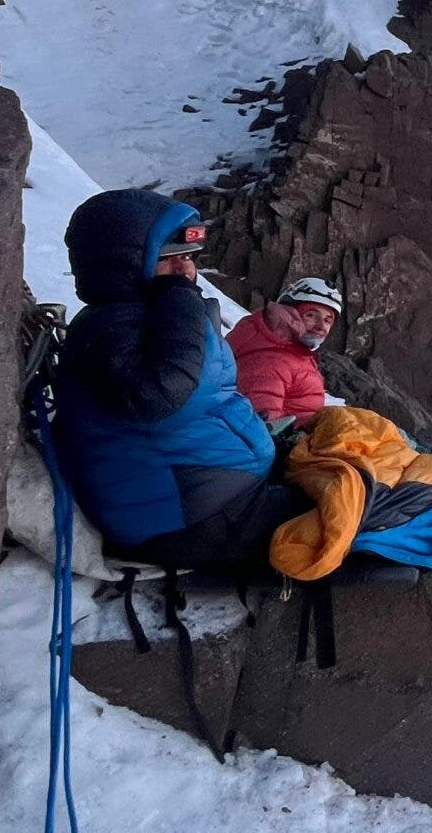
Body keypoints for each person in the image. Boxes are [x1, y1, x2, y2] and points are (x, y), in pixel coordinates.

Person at [51, 189, 303, 570]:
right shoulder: (112, 331)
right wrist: (182, 300)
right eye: (170, 260)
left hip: (205, 497)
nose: (186, 271)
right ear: (127, 265)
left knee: (354, 467)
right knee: (367, 508)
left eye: (188, 258)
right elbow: (161, 396)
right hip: (185, 519)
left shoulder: (145, 319)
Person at [227, 276, 343, 428]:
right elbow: (262, 425)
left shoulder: (293, 354)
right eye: (311, 315)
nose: (321, 326)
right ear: (289, 313)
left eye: (328, 320)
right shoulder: (272, 359)